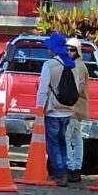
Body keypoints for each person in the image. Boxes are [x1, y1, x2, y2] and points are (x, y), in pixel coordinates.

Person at [34, 31, 81, 185]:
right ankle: (65, 169)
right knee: (63, 142)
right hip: (68, 109)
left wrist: (39, 107)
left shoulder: (49, 65)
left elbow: (43, 90)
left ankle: (60, 173)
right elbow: (77, 87)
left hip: (53, 110)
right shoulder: (73, 65)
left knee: (53, 143)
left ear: (53, 49)